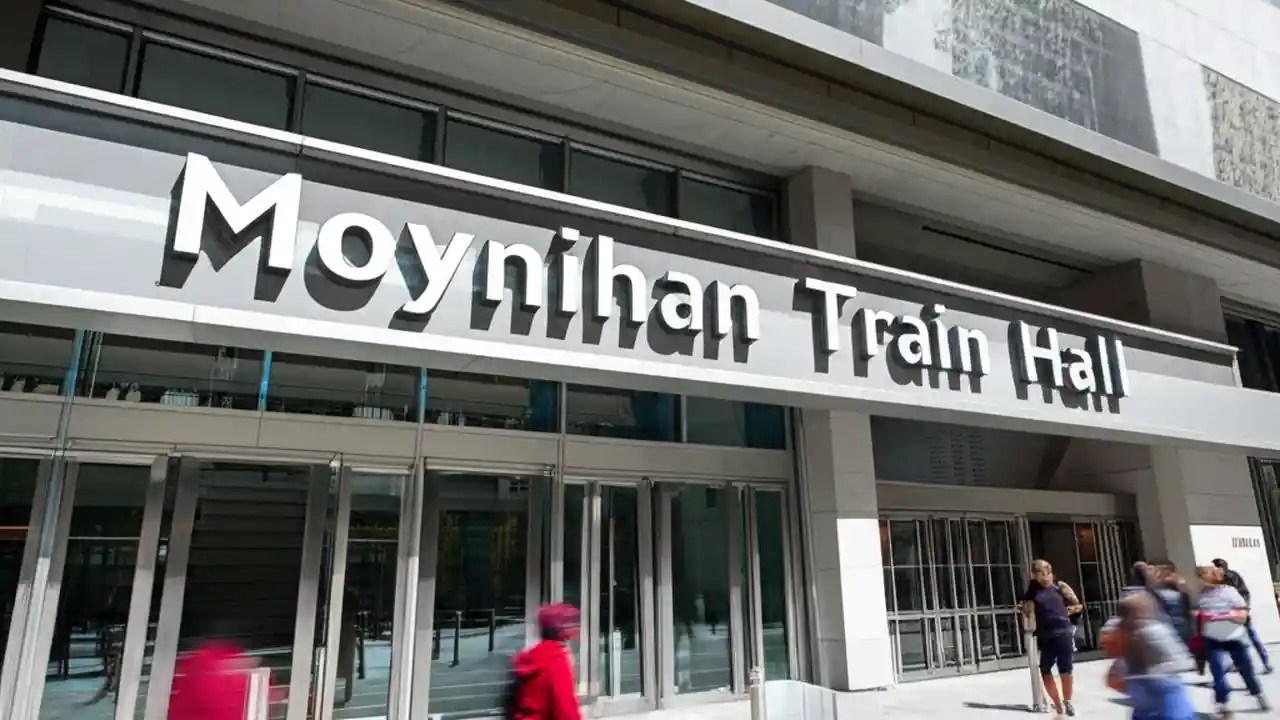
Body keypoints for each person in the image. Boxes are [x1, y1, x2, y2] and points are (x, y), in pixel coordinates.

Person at [1196, 565, 1271, 715]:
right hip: (1212, 638)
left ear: (1213, 576)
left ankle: (1258, 694)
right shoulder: (1201, 596)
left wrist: (1222, 616)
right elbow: (1198, 612)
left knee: (1246, 670)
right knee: (1217, 672)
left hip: (1234, 638)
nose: (1199, 579)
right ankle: (1222, 705)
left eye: (1202, 575)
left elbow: (1243, 615)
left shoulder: (1230, 592)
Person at [1117, 591, 1195, 720]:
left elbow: (1120, 665)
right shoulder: (1156, 630)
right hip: (1164, 687)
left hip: (1139, 689)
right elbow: (1182, 660)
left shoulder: (1122, 632)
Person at [1021, 559, 1083, 717]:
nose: (1044, 576)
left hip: (1063, 632)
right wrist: (1024, 609)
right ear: (1034, 575)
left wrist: (1063, 613)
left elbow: (1078, 605)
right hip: (1046, 634)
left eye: (1046, 573)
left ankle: (1067, 701)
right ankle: (1057, 703)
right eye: (1040, 574)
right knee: (1046, 669)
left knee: (1065, 669)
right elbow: (1027, 609)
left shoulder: (1060, 587)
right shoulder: (1032, 591)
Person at [509, 603, 582, 720]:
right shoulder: (556, 660)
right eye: (572, 623)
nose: (577, 627)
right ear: (561, 630)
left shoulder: (533, 655)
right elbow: (565, 708)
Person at [1212, 558, 1273, 673]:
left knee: (1242, 638)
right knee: (1246, 638)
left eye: (1215, 567)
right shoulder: (1229, 577)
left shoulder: (1229, 578)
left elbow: (1237, 595)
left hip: (1236, 613)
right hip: (1236, 613)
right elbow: (1244, 593)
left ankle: (1259, 663)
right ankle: (1263, 663)